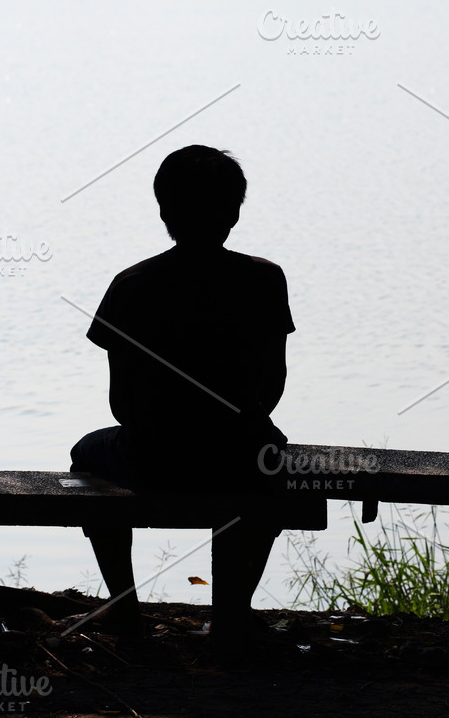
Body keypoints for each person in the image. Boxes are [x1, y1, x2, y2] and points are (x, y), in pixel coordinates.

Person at [70, 145, 294, 643]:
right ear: (234, 211)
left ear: (164, 211)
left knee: (86, 453)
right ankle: (232, 612)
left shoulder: (131, 286)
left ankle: (124, 610)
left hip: (156, 457)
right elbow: (272, 386)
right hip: (242, 455)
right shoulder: (264, 279)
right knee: (269, 464)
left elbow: (122, 405)